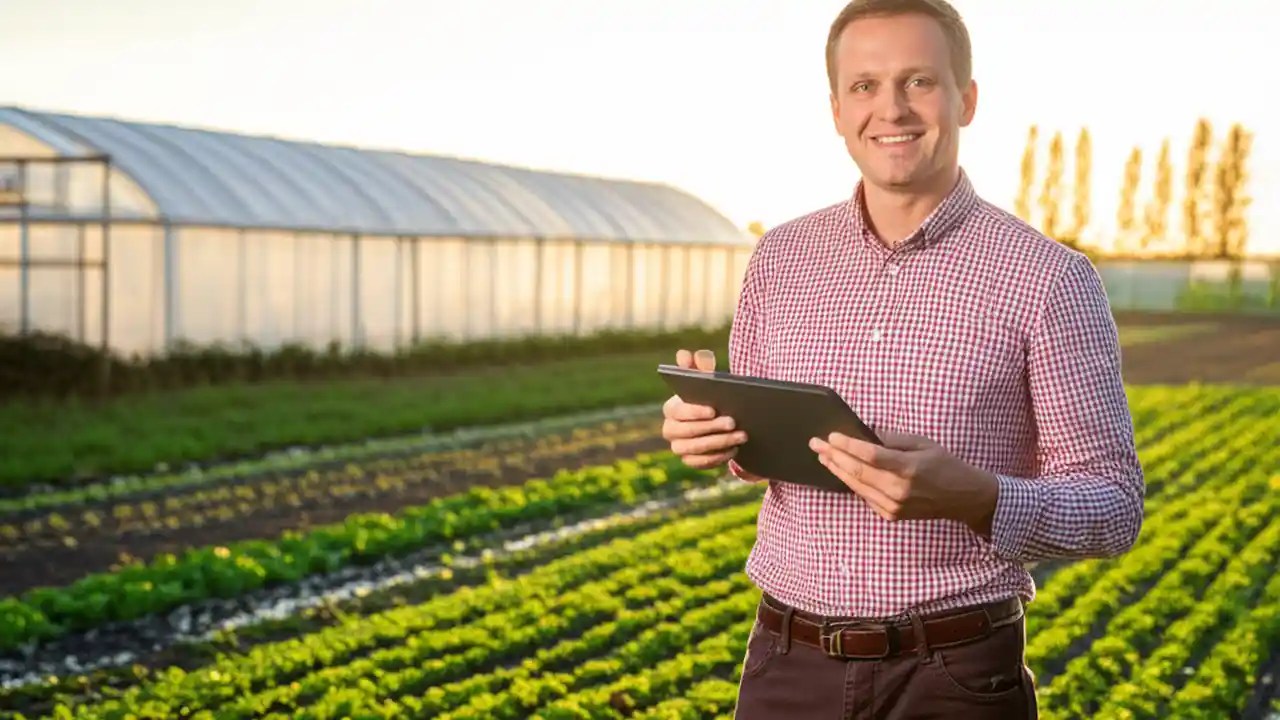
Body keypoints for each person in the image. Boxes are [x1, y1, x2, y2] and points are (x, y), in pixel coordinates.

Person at [660, 0, 1145, 717]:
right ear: (836, 109)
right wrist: (718, 433)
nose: (891, 108)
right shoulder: (781, 258)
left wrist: (976, 497)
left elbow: (1113, 507)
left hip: (955, 676)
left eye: (919, 81)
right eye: (865, 86)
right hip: (787, 668)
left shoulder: (1049, 278)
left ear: (966, 99)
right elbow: (763, 452)